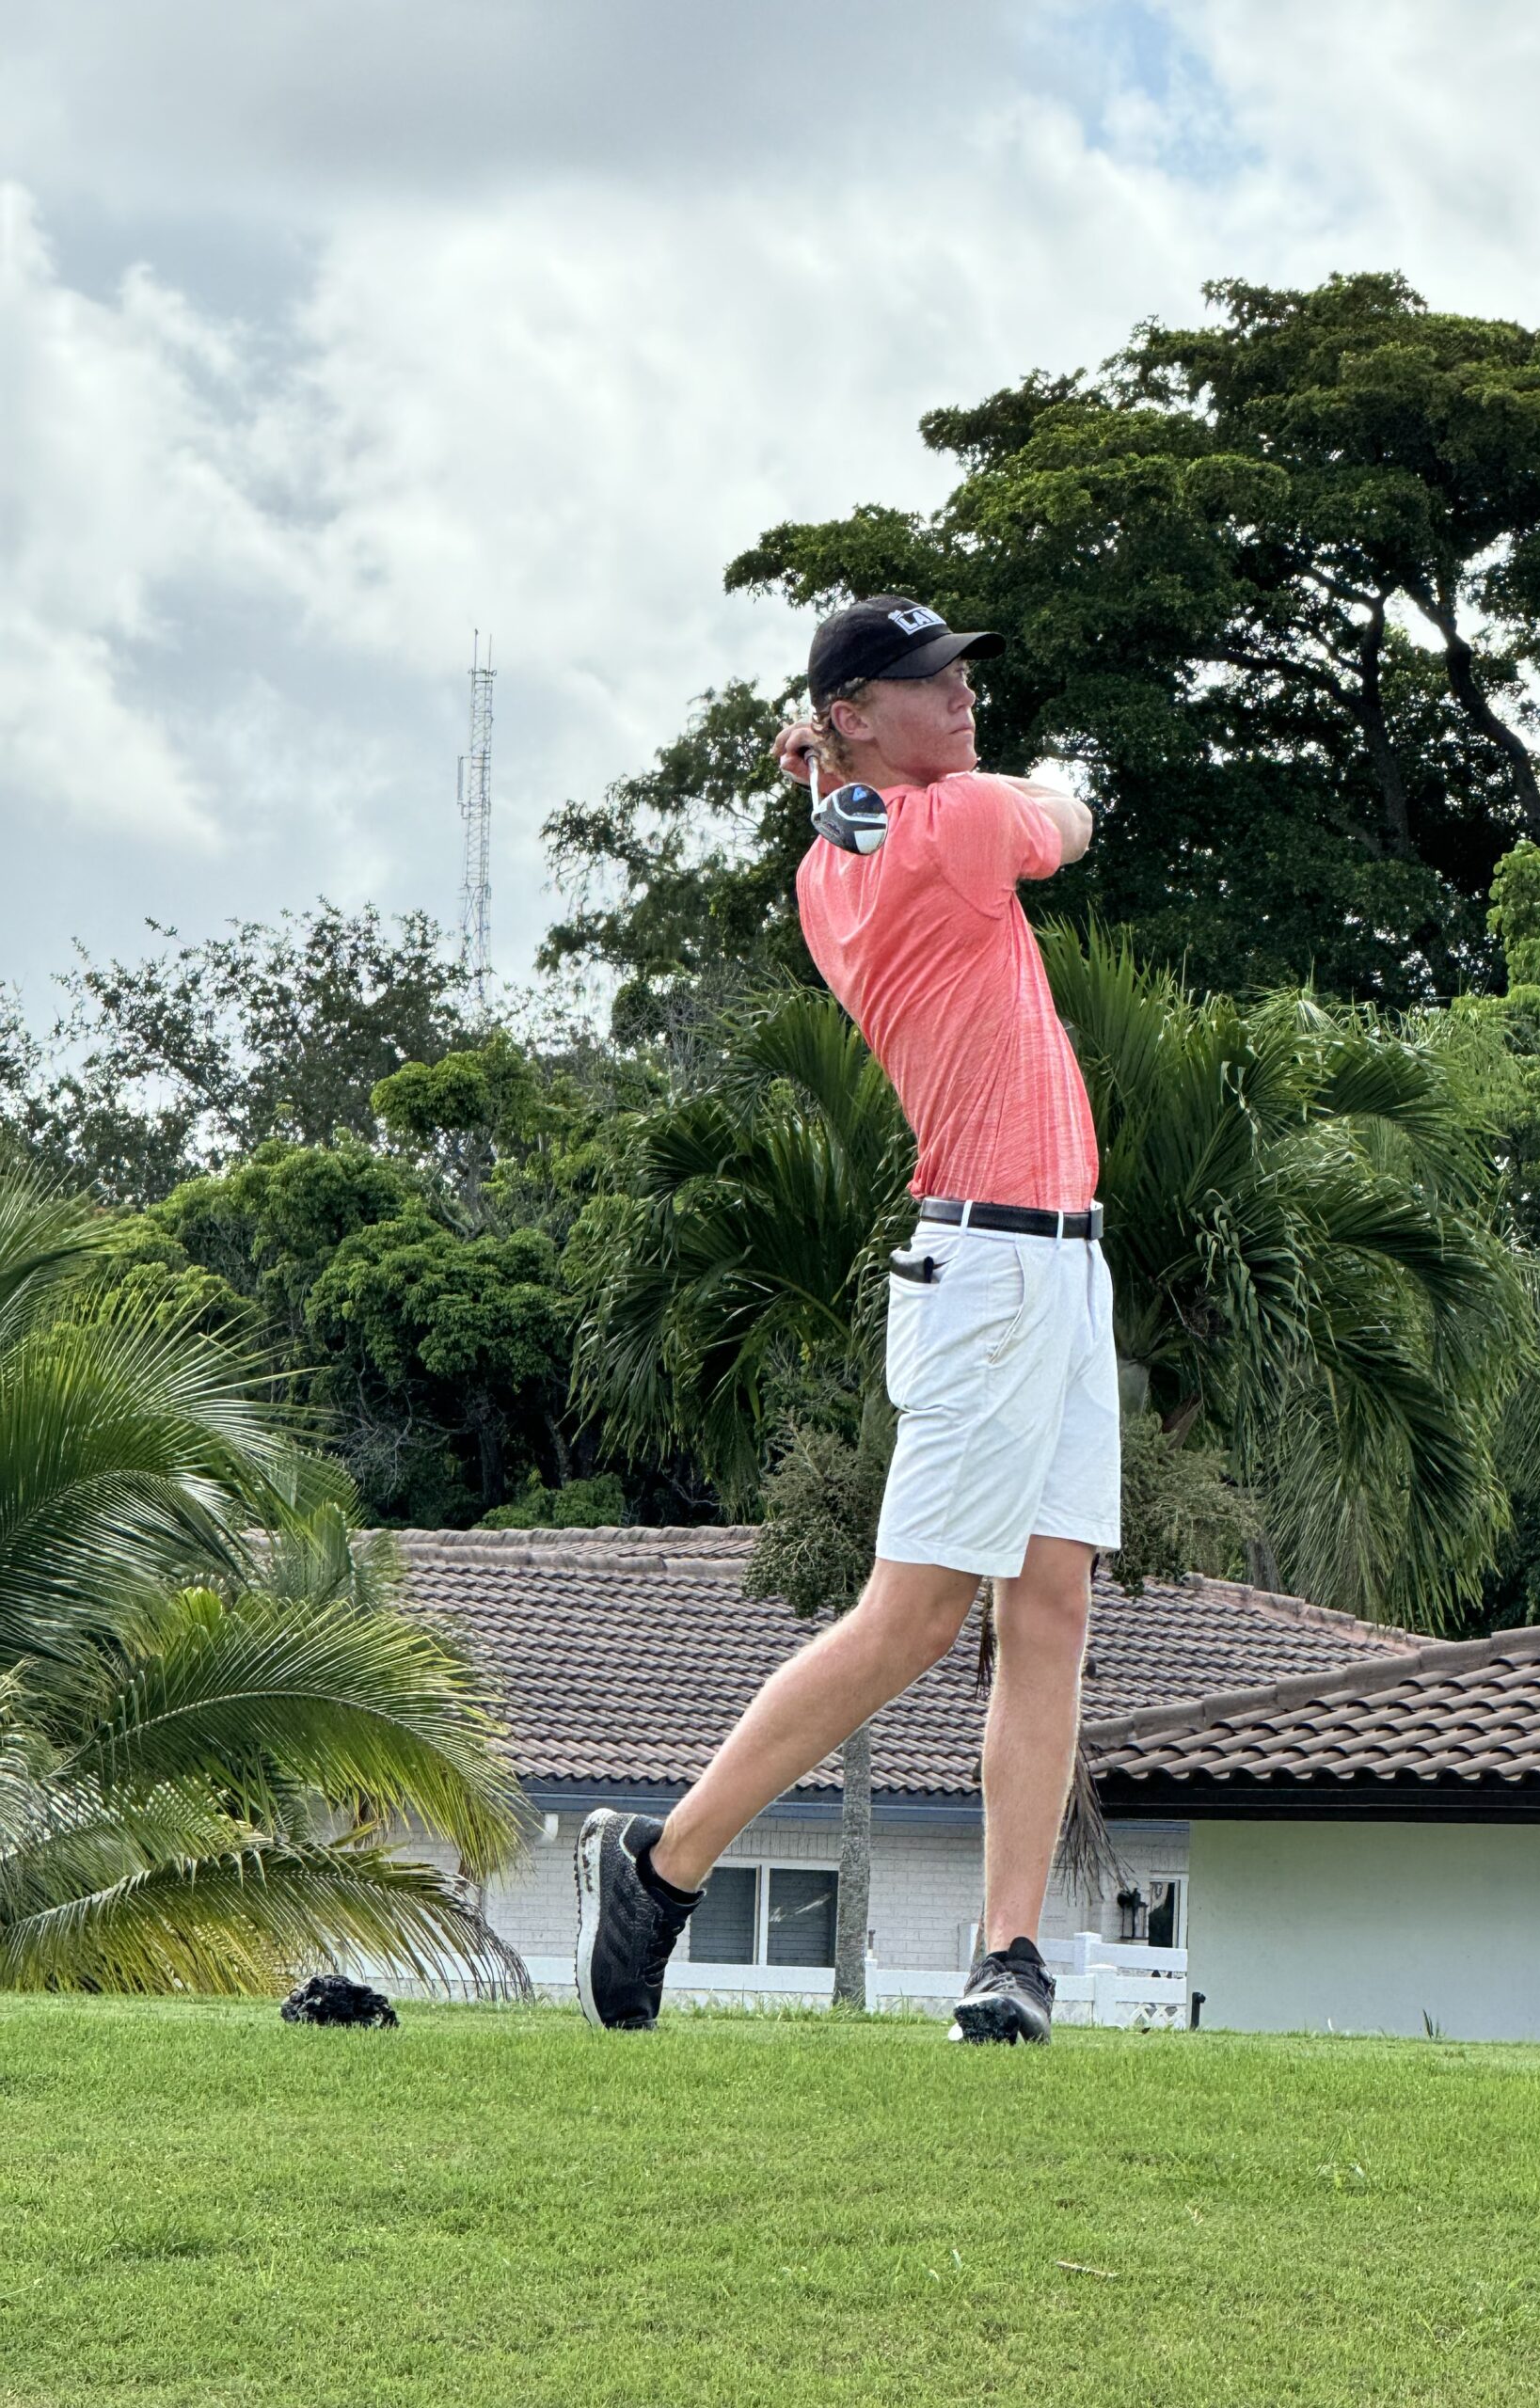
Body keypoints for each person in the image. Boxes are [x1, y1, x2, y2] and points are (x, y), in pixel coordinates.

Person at [577, 594, 1118, 2044]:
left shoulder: (843, 852)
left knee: (1049, 1599)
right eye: (929, 684)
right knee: (916, 1618)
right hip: (989, 1269)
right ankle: (663, 1865)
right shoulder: (944, 832)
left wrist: (828, 776)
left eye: (962, 676)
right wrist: (999, 784)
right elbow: (1066, 819)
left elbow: (852, 823)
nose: (964, 700)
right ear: (860, 714)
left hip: (1062, 1261)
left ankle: (1009, 1958)